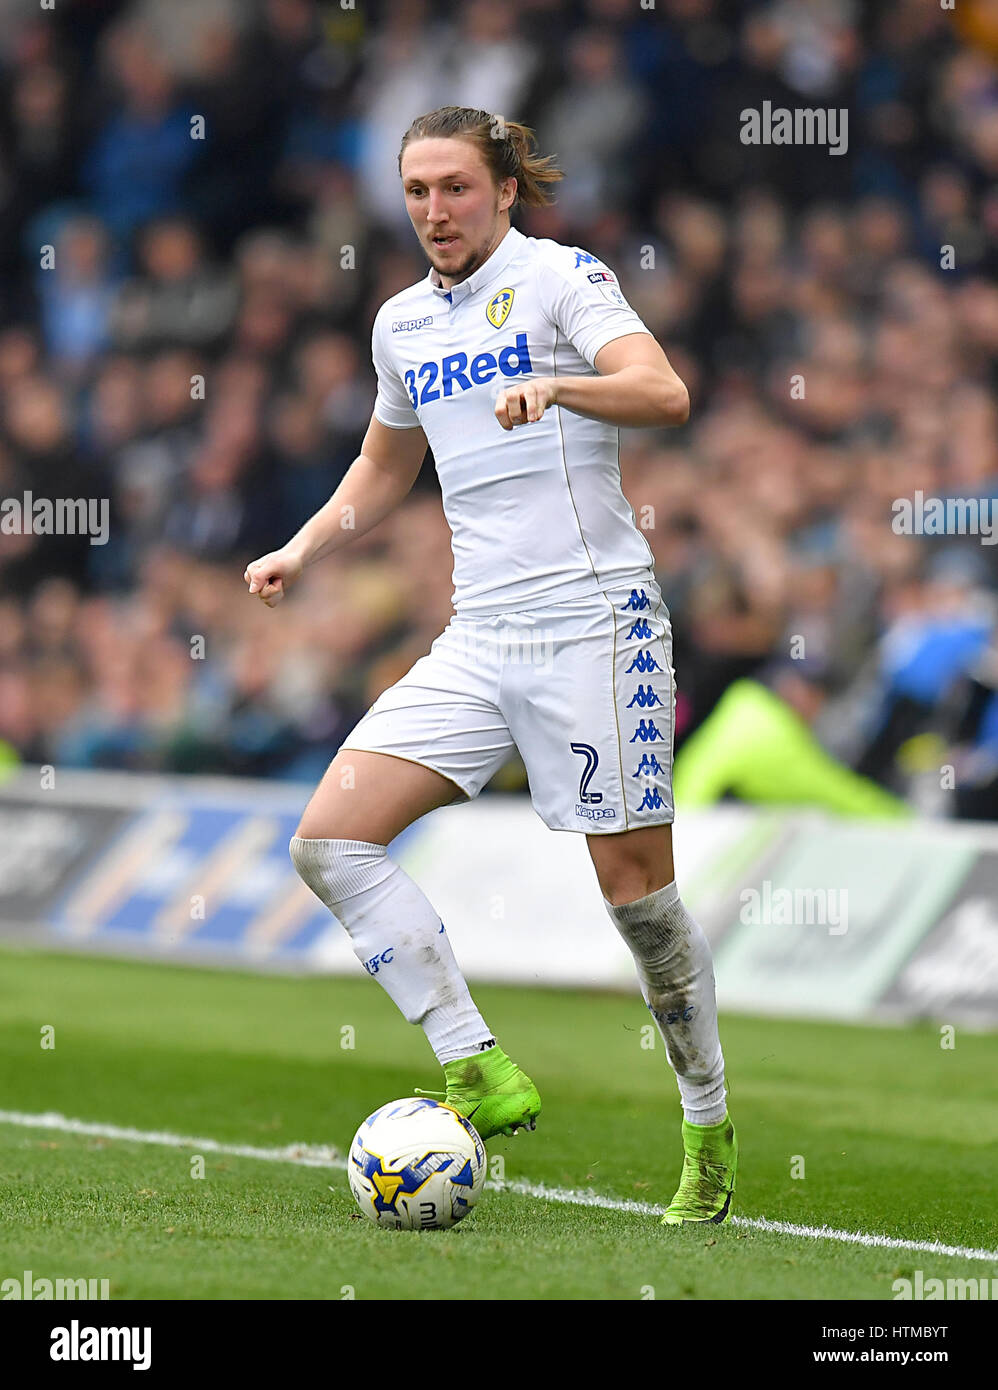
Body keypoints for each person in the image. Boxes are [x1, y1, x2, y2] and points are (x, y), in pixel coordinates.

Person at [244, 106, 736, 1225]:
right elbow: (381, 465)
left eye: (456, 188)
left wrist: (558, 385)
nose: (434, 210)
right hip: (480, 635)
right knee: (329, 838)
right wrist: (303, 547)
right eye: (417, 190)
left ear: (505, 190)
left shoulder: (563, 279)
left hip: (595, 624)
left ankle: (705, 1124)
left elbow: (664, 394)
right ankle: (474, 1062)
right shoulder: (401, 324)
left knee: (638, 902)